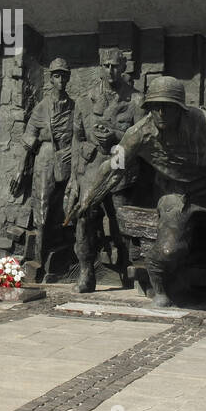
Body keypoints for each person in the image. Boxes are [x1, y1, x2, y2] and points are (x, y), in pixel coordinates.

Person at [74, 76, 206, 308]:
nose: (161, 113)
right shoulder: (139, 134)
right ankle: (159, 285)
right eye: (155, 107)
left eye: (168, 107)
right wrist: (89, 197)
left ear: (180, 109)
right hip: (175, 192)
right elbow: (112, 167)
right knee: (168, 250)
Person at [67, 49, 141, 292]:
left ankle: (133, 270)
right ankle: (87, 271)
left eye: (115, 66)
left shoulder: (136, 100)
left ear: (123, 68)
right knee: (85, 219)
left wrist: (116, 135)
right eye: (106, 66)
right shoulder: (84, 100)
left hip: (119, 166)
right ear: (100, 67)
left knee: (123, 220)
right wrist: (74, 178)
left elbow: (142, 138)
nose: (110, 71)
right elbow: (76, 139)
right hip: (91, 168)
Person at [10, 58, 77, 279]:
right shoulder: (41, 107)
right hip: (45, 158)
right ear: (51, 78)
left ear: (68, 78)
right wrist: (20, 169)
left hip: (67, 158)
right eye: (56, 75)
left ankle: (64, 260)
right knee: (42, 206)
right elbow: (29, 140)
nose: (61, 80)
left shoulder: (74, 107)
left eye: (64, 75)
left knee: (66, 207)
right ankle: (38, 259)